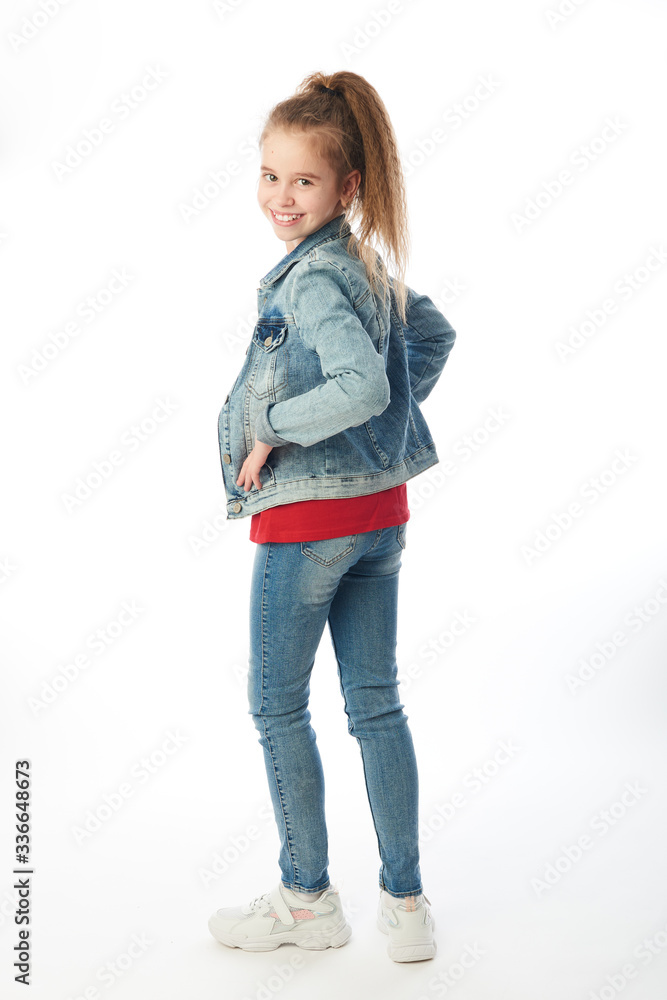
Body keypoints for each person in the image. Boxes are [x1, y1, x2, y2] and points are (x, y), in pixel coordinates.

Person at [209, 70, 457, 964]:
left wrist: (273, 429)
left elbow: (365, 384)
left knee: (277, 707)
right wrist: (379, 434)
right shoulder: (367, 262)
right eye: (269, 175)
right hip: (379, 519)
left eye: (303, 180)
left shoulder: (312, 280)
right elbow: (430, 338)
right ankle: (406, 907)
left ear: (346, 186)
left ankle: (306, 900)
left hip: (309, 525)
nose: (281, 196)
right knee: (375, 706)